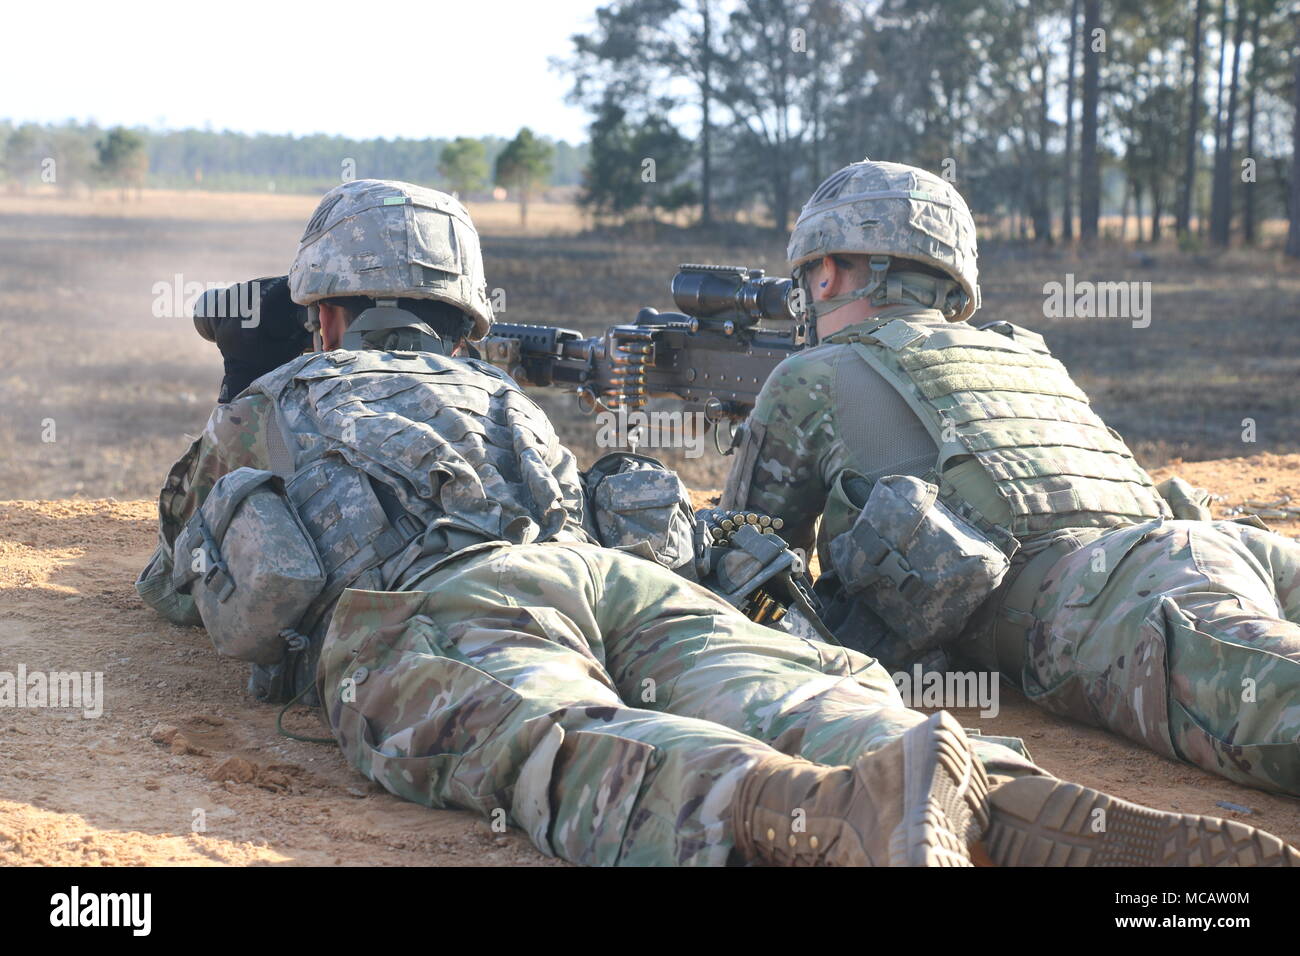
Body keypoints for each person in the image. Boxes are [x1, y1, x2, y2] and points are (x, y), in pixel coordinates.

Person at [136, 178, 1297, 866]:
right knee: (784, 683)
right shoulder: (501, 399)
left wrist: (245, 391)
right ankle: (1007, 795)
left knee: (549, 737)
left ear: (323, 314)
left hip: (446, 608)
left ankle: (808, 812)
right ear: (464, 318)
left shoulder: (283, 398)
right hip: (608, 576)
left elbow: (182, 582)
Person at [722, 158, 1300, 797]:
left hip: (1121, 600)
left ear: (824, 273)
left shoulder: (813, 375)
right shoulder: (1021, 353)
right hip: (1223, 549)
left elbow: (745, 572)